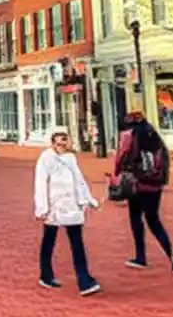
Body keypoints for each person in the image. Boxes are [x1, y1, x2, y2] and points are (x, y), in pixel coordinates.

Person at [33, 127, 102, 297]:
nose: (62, 143)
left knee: (77, 244)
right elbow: (40, 183)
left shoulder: (71, 158)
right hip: (54, 207)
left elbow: (79, 181)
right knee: (49, 241)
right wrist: (42, 207)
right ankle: (46, 275)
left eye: (65, 139)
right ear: (52, 141)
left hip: (72, 207)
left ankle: (84, 281)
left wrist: (88, 200)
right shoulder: (46, 159)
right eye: (58, 139)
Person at [113, 112, 173, 271]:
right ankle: (169, 252)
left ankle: (140, 257)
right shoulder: (153, 135)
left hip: (138, 183)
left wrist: (117, 173)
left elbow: (121, 155)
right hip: (155, 185)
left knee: (136, 219)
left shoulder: (129, 135)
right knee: (153, 219)